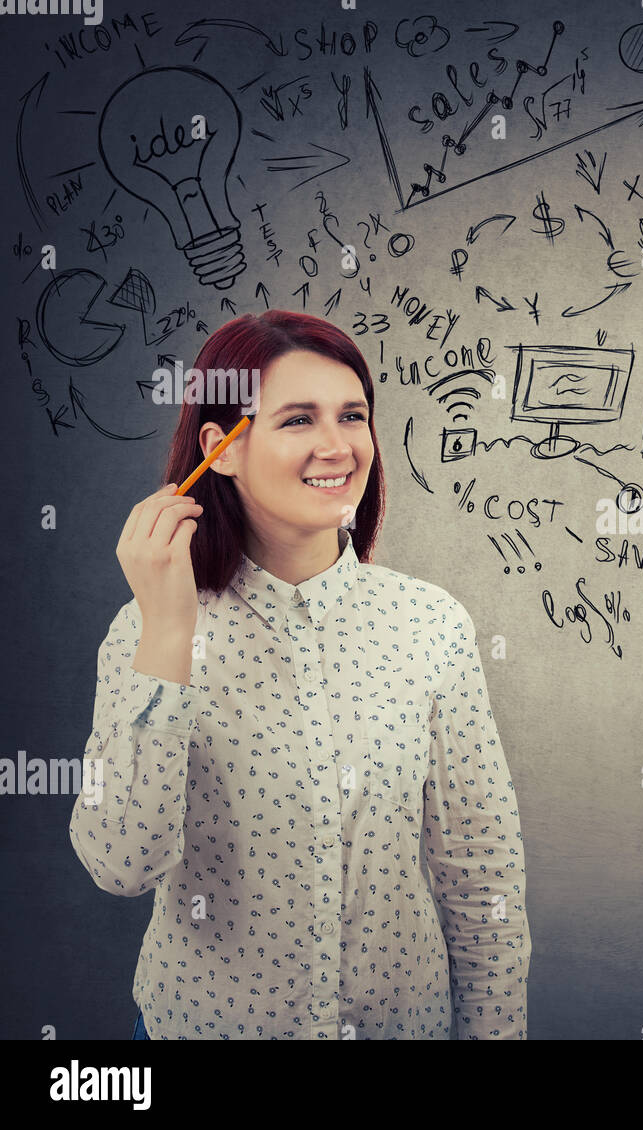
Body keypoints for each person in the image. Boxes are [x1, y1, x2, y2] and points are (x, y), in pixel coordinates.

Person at [70, 310, 530, 1039]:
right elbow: (120, 861)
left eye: (353, 415)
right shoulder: (144, 633)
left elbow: (481, 871)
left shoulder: (430, 625)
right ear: (219, 452)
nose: (337, 446)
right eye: (297, 420)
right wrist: (166, 632)